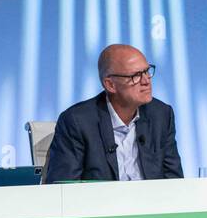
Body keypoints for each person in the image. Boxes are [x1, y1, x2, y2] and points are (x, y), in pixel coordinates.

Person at [44, 44, 183, 182]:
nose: (146, 81)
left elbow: (174, 181)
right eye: (136, 76)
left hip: (152, 203)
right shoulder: (77, 122)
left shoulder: (162, 115)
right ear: (110, 85)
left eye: (147, 71)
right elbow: (63, 188)